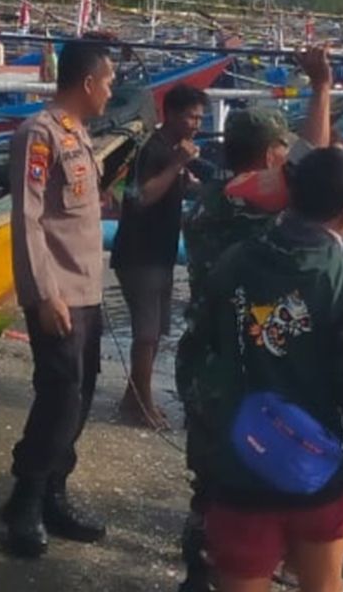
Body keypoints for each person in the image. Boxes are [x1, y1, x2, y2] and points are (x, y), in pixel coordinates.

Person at [186, 147, 343, 592]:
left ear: (291, 193)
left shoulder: (235, 262)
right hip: (316, 476)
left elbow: (199, 350)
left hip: (240, 469)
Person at [2, 39, 116, 558]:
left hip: (88, 288)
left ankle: (54, 491)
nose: (113, 91)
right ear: (88, 83)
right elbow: (27, 220)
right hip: (59, 292)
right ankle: (25, 499)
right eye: (109, 81)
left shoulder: (81, 136)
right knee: (59, 397)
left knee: (81, 397)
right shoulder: (40, 134)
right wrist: (44, 294)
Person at [111, 83, 210, 430]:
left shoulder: (171, 149)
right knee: (147, 334)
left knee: (156, 332)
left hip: (160, 253)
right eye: (190, 117)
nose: (196, 124)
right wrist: (177, 165)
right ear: (171, 114)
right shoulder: (154, 149)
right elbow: (141, 197)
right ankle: (140, 405)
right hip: (140, 254)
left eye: (200, 117)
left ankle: (133, 398)